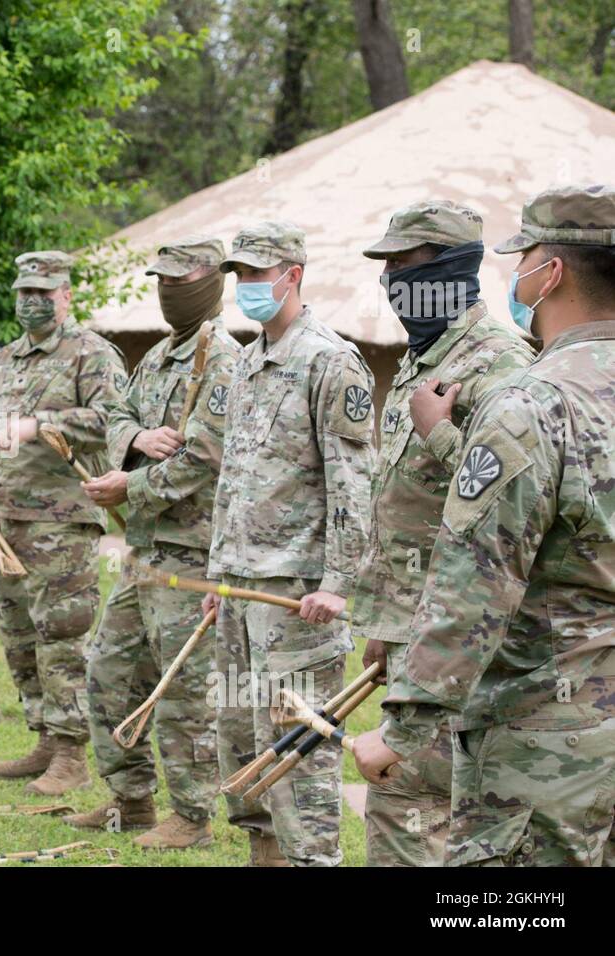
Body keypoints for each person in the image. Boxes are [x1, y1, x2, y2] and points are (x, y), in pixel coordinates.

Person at [353, 184, 615, 867]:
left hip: (545, 729)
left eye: (522, 257)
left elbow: (480, 577)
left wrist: (404, 726)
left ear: (550, 272)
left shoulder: (531, 399)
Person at [350, 200, 534, 866]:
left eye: (407, 263)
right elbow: (406, 506)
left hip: (463, 635)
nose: (393, 278)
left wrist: (441, 434)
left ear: (453, 267)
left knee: (418, 809)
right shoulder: (420, 358)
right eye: (389, 265)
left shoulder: (503, 365)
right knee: (409, 804)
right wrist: (384, 621)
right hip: (412, 624)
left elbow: (516, 503)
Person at [204, 221, 376, 866]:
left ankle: (312, 862)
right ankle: (266, 858)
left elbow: (352, 480)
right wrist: (220, 577)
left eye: (256, 274)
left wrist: (338, 581)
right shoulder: (249, 360)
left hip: (298, 595)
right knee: (244, 733)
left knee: (298, 744)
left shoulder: (331, 361)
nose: (246, 287)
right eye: (239, 276)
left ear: (292, 276)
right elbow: (236, 478)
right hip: (243, 587)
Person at [66, 236, 239, 849]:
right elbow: (117, 414)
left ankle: (192, 816)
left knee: (182, 691)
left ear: (213, 283)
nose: (168, 292)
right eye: (161, 280)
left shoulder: (224, 363)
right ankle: (131, 798)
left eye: (180, 280)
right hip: (144, 553)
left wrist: (129, 487)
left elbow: (205, 459)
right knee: (109, 669)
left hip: (193, 554)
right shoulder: (159, 357)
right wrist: (137, 439)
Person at [0, 250, 125, 795]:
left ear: (66, 295)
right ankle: (46, 741)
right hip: (5, 525)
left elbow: (111, 423)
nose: (32, 301)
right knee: (20, 639)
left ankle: (73, 756)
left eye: (43, 292)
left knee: (61, 640)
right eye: (24, 292)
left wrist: (39, 424)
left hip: (62, 523)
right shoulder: (3, 361)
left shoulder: (91, 354)